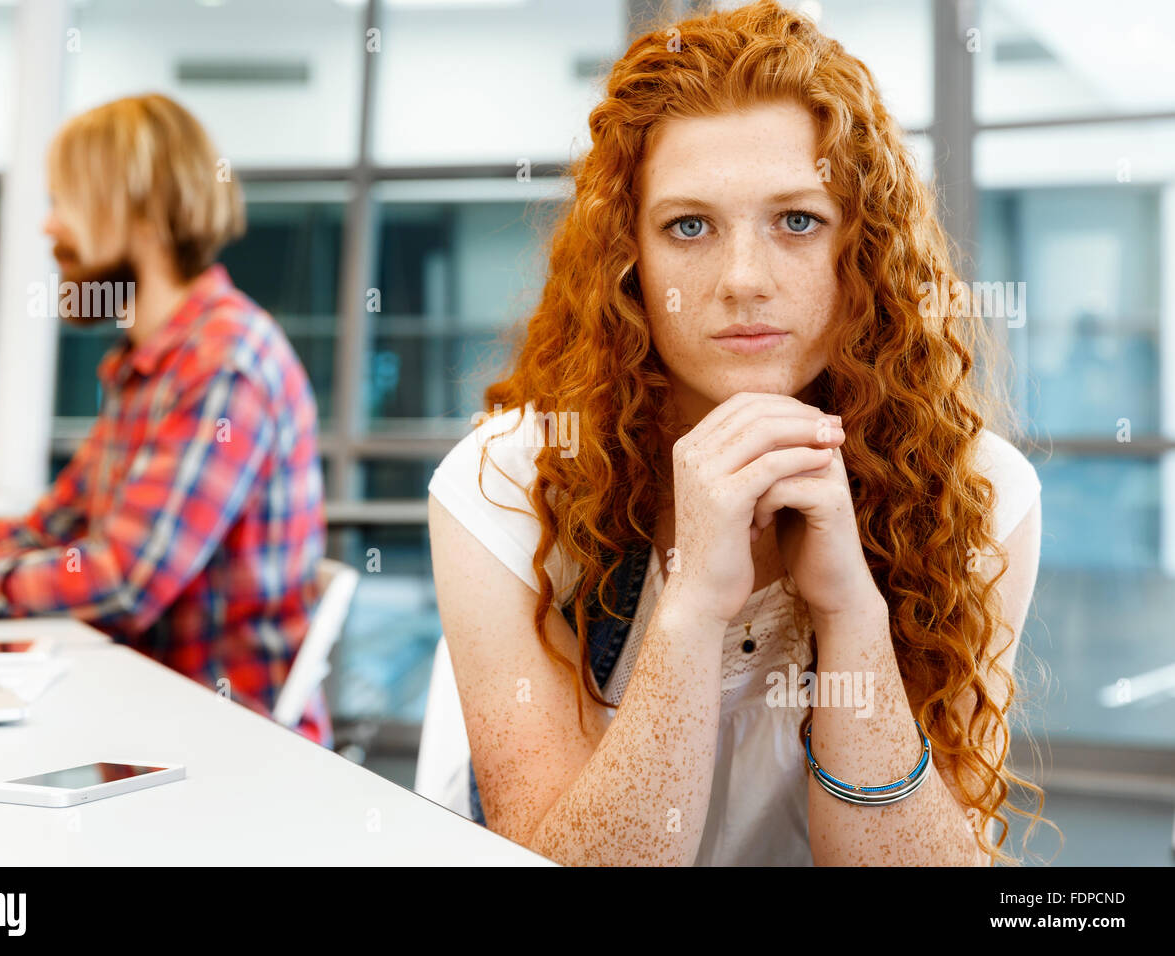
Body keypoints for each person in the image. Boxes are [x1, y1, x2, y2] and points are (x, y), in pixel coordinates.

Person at [427, 1, 1056, 865]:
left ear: (862, 251)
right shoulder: (503, 482)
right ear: (630, 265)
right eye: (689, 227)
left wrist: (851, 616)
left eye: (798, 221)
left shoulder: (979, 493)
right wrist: (691, 609)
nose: (743, 280)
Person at [0, 93, 332, 748]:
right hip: (132, 715)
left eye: (65, 201)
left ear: (141, 213)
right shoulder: (146, 367)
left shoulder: (223, 363)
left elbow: (122, 581)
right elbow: (49, 529)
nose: (48, 227)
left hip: (221, 749)